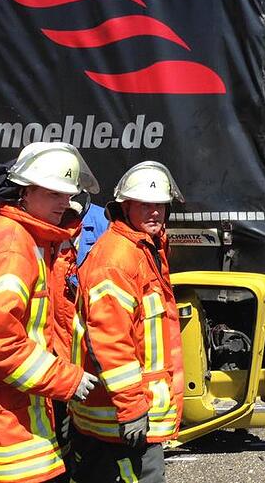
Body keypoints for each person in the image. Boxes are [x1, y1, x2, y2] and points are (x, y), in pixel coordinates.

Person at [0, 142, 99, 483]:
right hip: (4, 427)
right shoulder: (11, 243)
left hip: (19, 414)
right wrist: (65, 378)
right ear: (24, 193)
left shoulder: (33, 240)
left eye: (68, 193)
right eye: (53, 193)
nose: (65, 203)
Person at [70, 161, 185, 483]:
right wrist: (132, 406)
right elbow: (110, 343)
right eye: (145, 204)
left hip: (127, 415)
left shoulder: (143, 249)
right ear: (125, 207)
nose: (155, 212)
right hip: (120, 419)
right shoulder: (117, 260)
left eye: (160, 205)